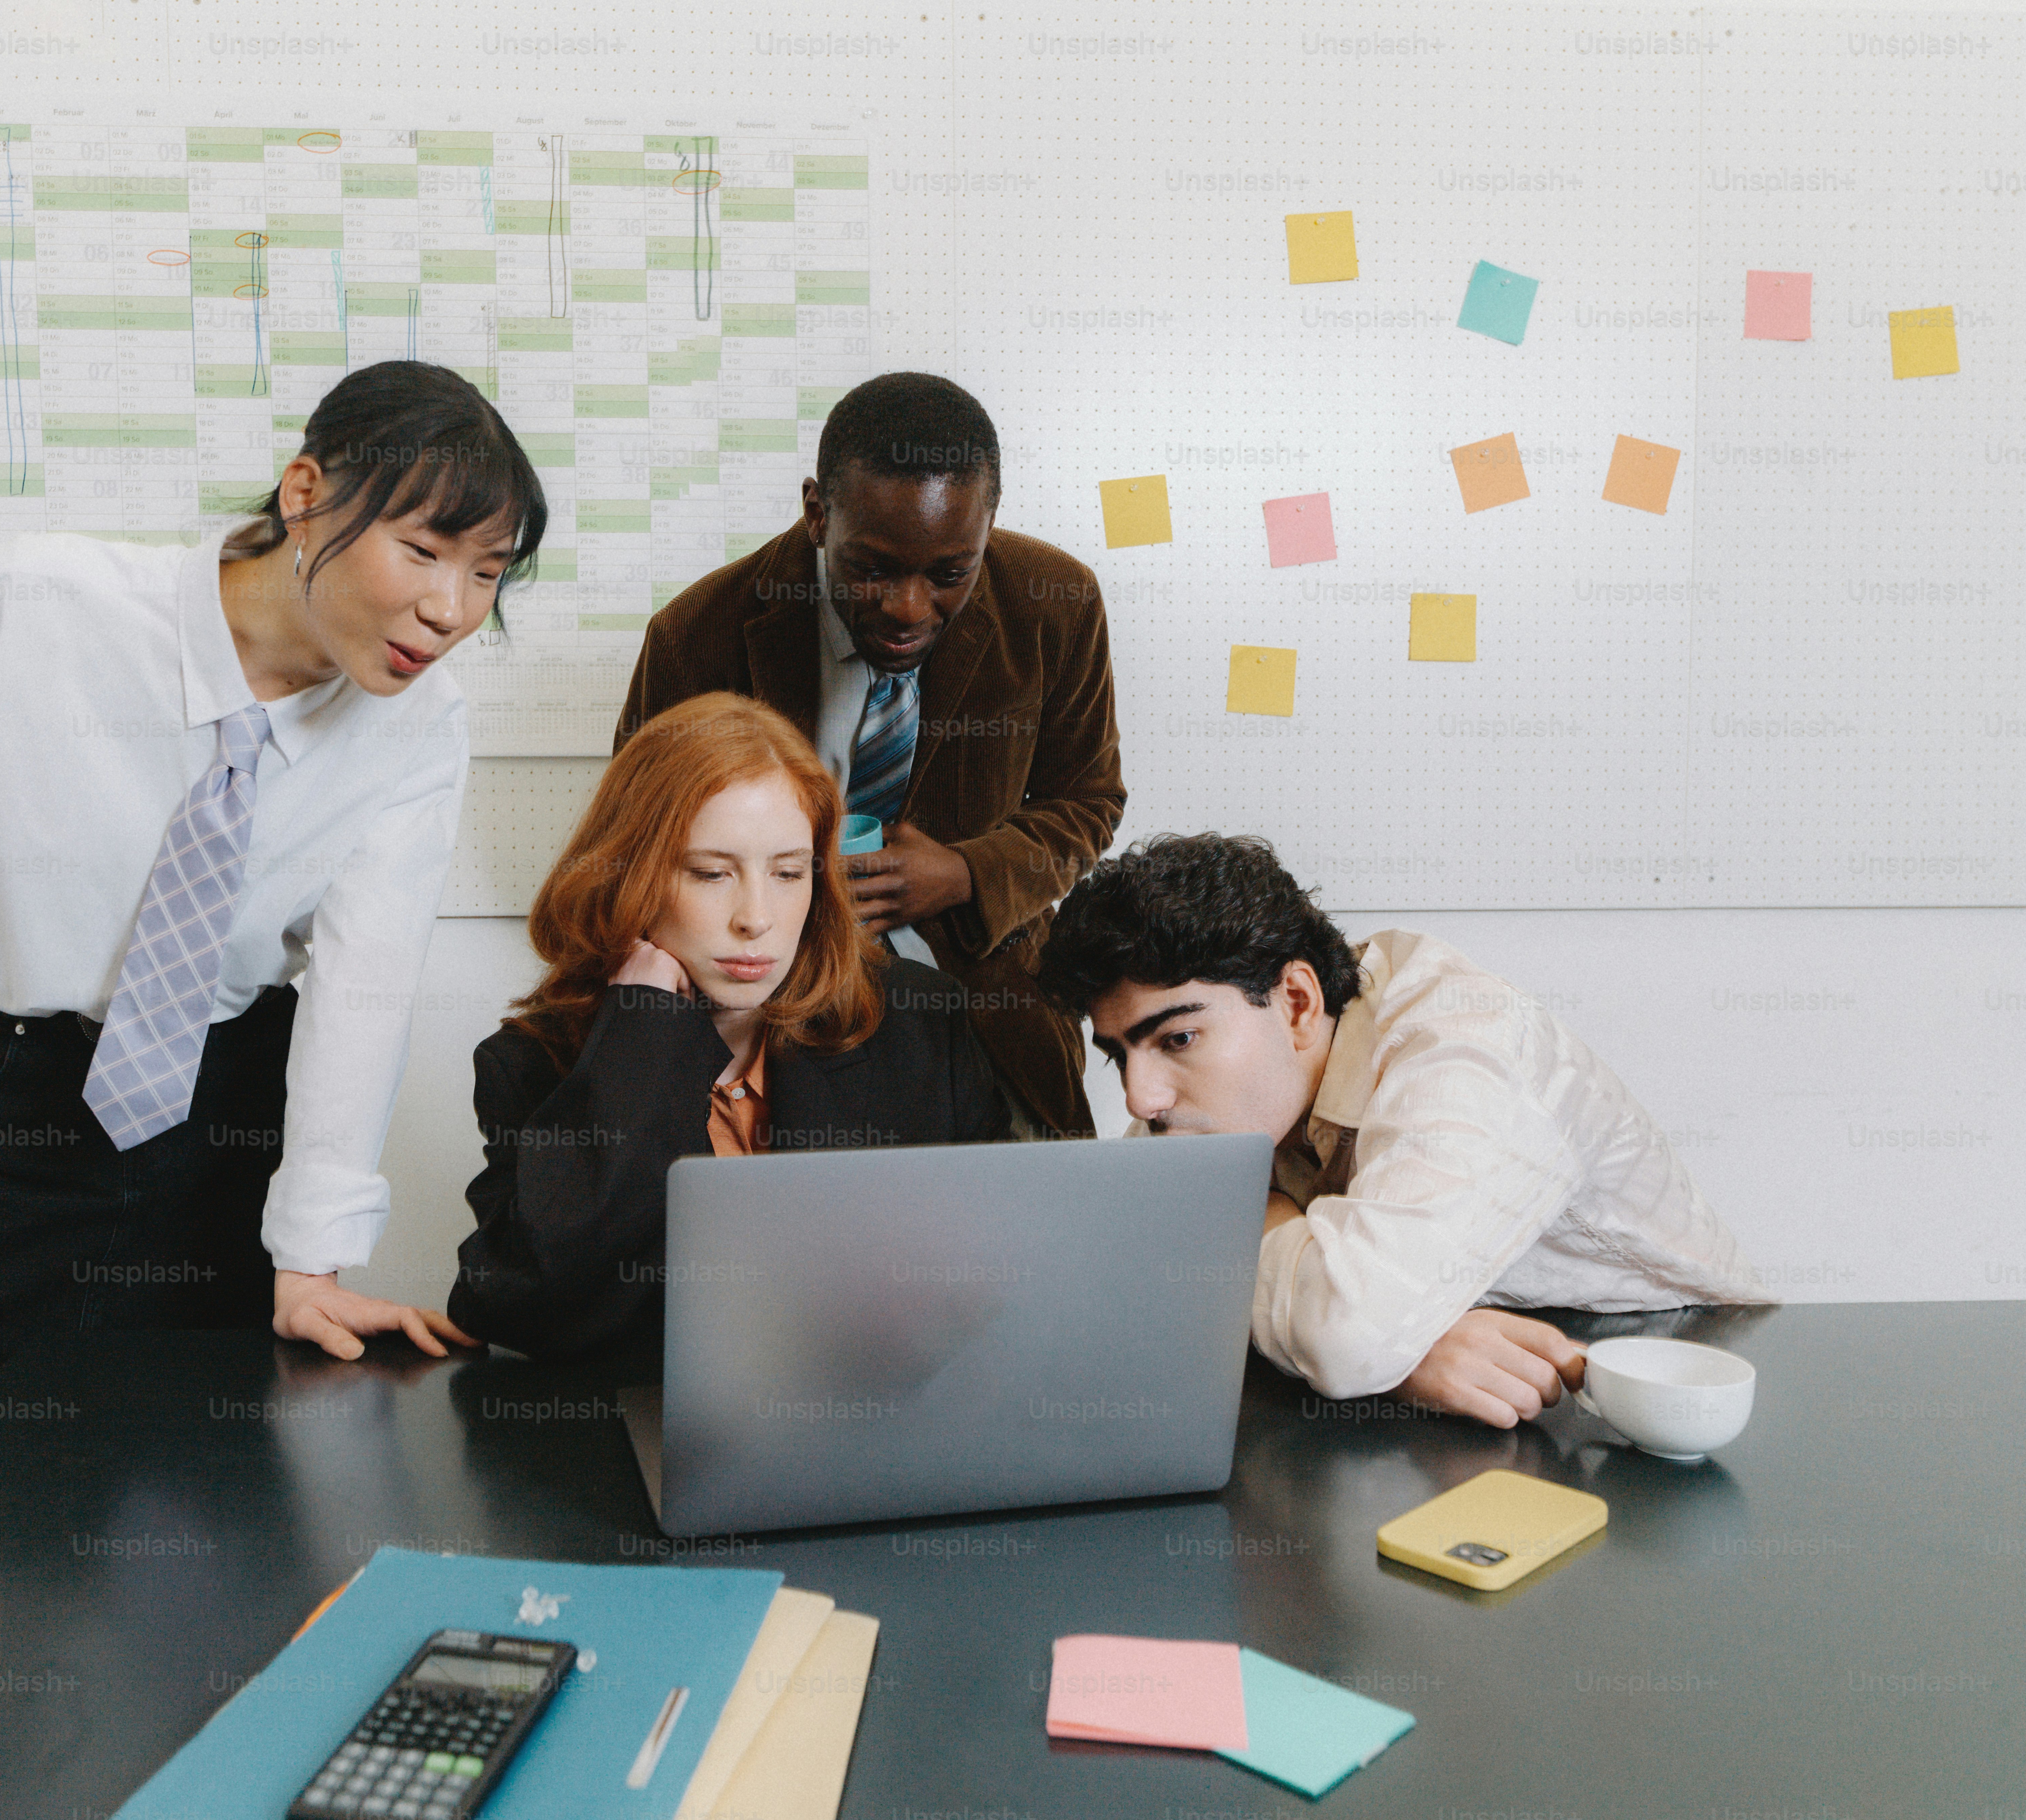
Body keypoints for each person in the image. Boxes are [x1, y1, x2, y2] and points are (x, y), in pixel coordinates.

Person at [0, 361, 541, 1476]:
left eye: (487, 572)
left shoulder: (420, 722)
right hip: (18, 1103)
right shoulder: (41, 600)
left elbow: (363, 987)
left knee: (205, 1510)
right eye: (425, 551)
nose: (451, 610)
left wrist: (312, 1259)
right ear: (305, 495)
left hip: (227, 1114)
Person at [1034, 834, 1774, 1428]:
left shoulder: (1467, 1043)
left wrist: (1267, 1218)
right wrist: (1411, 1351)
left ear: (1296, 1003)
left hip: (1661, 1371)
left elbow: (1345, 1335)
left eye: (1177, 1040)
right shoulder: (1224, 1096)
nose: (1140, 1097)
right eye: (1120, 1054)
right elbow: (1136, 1244)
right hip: (1483, 1383)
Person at [615, 372, 1124, 1141]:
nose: (907, 610)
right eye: (872, 569)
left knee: (1015, 1210)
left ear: (988, 525)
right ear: (816, 514)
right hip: (764, 1020)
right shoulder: (697, 634)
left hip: (989, 1008)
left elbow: (1088, 801)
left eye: (949, 574)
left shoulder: (1055, 602)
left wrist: (967, 874)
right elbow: (638, 842)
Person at [449, 692, 1010, 1362]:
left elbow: (998, 1281)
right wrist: (642, 1039)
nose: (756, 918)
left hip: (882, 1407)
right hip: (651, 1420)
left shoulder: (919, 1021)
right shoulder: (529, 1063)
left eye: (789, 873)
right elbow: (524, 1306)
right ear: (630, 875)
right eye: (712, 874)